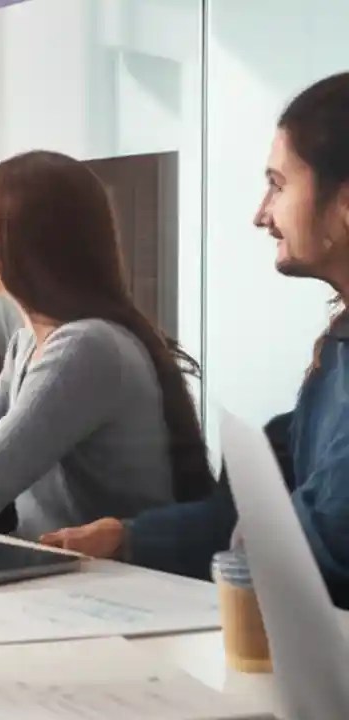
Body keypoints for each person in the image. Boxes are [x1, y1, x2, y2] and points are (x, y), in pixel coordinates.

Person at [41, 72, 349, 608]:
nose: (262, 214)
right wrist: (131, 537)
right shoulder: (337, 356)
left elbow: (322, 546)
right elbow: (260, 505)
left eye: (278, 184)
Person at [0, 150, 215, 539]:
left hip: (119, 584)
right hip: (68, 575)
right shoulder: (28, 345)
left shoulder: (85, 347)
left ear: (19, 239)